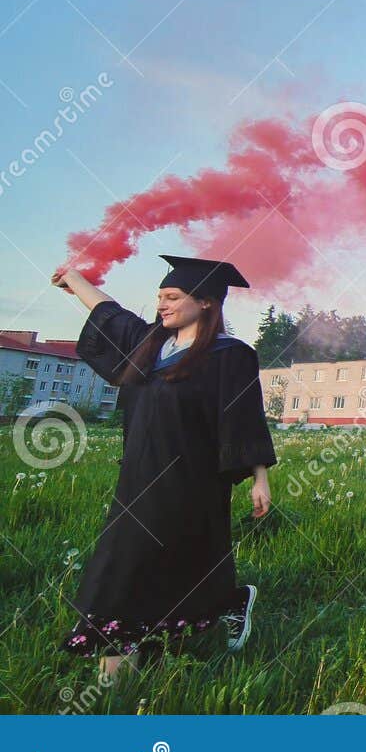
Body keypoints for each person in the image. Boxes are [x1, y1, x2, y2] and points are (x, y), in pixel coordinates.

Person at [52, 256, 276, 678]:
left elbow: (246, 416)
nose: (162, 305)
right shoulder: (150, 344)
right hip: (138, 476)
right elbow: (108, 313)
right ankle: (217, 606)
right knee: (129, 560)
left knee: (174, 558)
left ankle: (125, 667)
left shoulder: (231, 356)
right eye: (159, 297)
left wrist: (259, 478)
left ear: (207, 302)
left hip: (195, 480)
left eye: (172, 297)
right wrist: (74, 278)